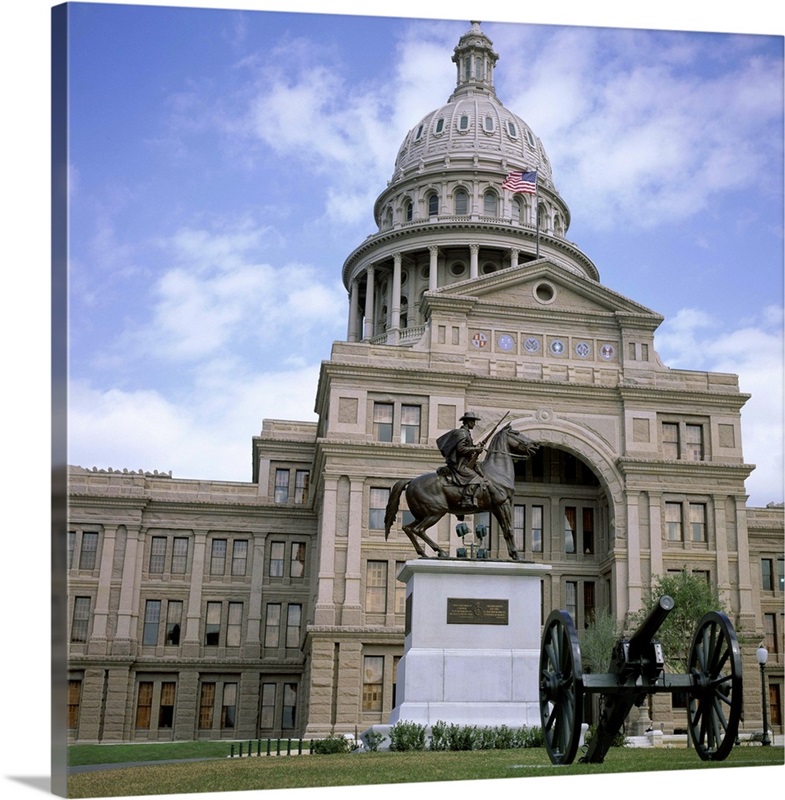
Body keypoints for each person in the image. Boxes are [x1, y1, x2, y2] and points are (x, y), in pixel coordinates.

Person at [436, 411, 486, 509]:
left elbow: (467, 447)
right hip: (460, 465)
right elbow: (461, 449)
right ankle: (466, 499)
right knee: (476, 478)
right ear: (468, 422)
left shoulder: (466, 433)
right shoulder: (462, 433)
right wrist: (475, 449)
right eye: (473, 421)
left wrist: (476, 446)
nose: (474, 424)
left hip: (465, 462)